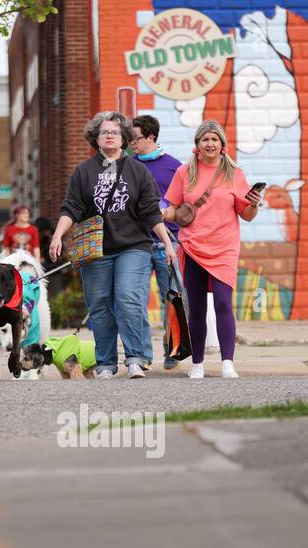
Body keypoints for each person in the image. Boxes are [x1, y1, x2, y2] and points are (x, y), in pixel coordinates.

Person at [49, 111, 176, 379]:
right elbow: (71, 207)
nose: (109, 136)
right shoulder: (84, 172)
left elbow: (151, 211)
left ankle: (136, 357)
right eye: (104, 132)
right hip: (96, 250)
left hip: (134, 246)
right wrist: (58, 235)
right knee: (100, 306)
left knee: (128, 299)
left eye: (115, 132)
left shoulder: (137, 171)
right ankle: (105, 362)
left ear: (124, 138)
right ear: (95, 138)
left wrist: (167, 243)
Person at [163, 120, 264, 379]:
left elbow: (247, 214)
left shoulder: (235, 175)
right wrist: (163, 214)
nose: (209, 143)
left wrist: (254, 203)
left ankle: (227, 362)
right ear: (197, 145)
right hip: (193, 245)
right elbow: (175, 209)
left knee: (222, 303)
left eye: (214, 139)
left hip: (224, 248)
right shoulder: (185, 173)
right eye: (204, 139)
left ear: (222, 145)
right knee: (196, 308)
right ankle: (197, 364)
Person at [131, 114, 183, 369]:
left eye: (136, 138)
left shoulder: (175, 167)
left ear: (151, 137)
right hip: (137, 244)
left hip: (168, 244)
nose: (131, 143)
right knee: (136, 300)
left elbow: (184, 204)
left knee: (172, 299)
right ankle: (142, 354)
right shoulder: (127, 165)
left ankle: (172, 350)